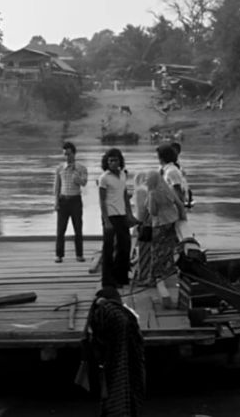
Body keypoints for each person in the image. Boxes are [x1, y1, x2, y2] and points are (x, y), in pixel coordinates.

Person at [80, 286, 146, 416]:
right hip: (131, 362)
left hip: (114, 360)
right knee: (129, 393)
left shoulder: (104, 312)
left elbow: (95, 336)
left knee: (115, 394)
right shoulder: (125, 314)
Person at [98, 148, 134, 288]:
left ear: (120, 161)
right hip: (110, 216)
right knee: (108, 249)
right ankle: (107, 280)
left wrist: (130, 215)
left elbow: (125, 196)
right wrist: (106, 221)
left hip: (122, 215)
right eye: (110, 160)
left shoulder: (123, 175)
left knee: (125, 246)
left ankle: (121, 277)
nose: (113, 163)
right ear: (107, 162)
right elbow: (101, 200)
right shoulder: (104, 178)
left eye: (116, 160)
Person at [146, 170, 185, 281]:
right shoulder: (169, 189)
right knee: (169, 248)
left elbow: (153, 212)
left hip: (159, 223)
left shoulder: (152, 193)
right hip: (172, 221)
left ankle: (155, 275)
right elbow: (180, 204)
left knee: (156, 250)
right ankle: (169, 271)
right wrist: (182, 218)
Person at [53, 142, 88, 263]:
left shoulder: (81, 168)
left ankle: (79, 254)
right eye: (65, 155)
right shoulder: (59, 168)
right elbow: (56, 187)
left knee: (78, 228)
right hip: (63, 200)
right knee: (60, 229)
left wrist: (76, 176)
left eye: (68, 154)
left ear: (74, 153)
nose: (67, 157)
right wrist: (56, 202)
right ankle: (59, 255)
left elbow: (84, 183)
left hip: (75, 200)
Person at [131, 172, 152, 285]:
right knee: (146, 250)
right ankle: (144, 273)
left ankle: (142, 276)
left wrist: (139, 224)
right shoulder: (148, 189)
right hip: (150, 223)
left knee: (142, 249)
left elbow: (141, 210)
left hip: (144, 223)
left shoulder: (140, 191)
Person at [169, 142, 193, 208]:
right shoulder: (168, 164)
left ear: (179, 152)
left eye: (176, 151)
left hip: (180, 188)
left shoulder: (178, 163)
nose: (174, 153)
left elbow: (183, 177)